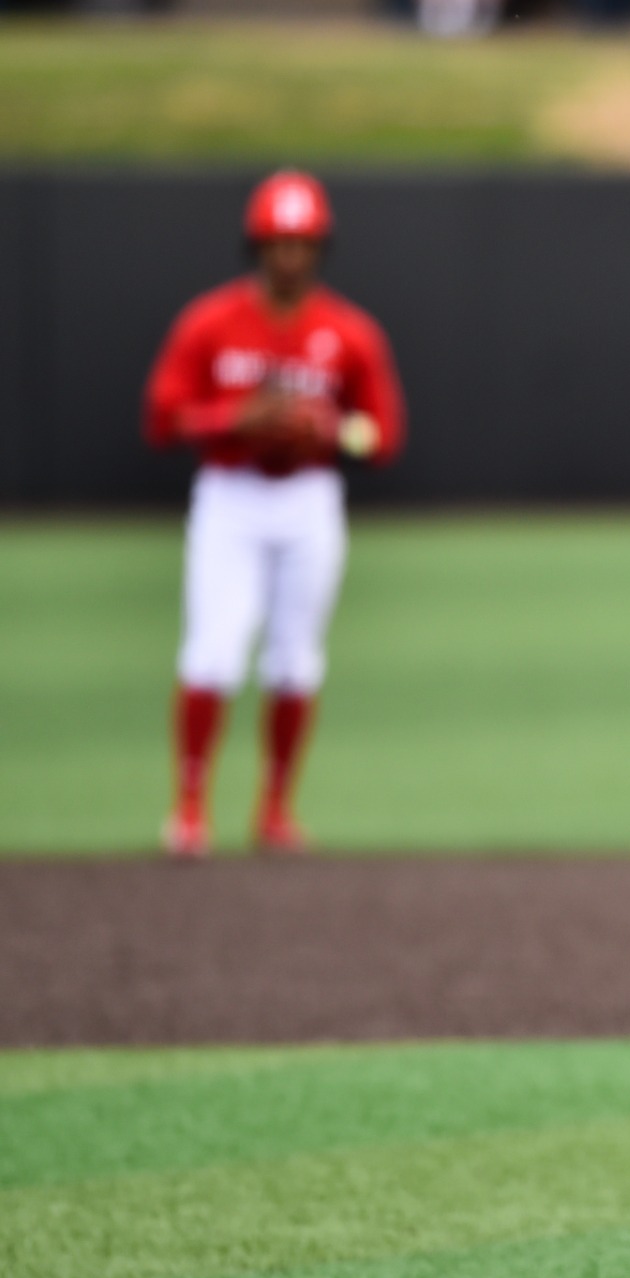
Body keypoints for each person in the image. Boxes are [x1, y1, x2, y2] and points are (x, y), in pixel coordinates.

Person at [145, 170, 406, 856]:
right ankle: (191, 807)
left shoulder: (348, 332)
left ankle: (274, 811)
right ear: (256, 246)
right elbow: (160, 417)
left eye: (302, 242)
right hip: (230, 496)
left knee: (295, 659)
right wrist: (235, 416)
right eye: (277, 242)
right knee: (214, 651)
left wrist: (331, 430)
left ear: (320, 248)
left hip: (307, 499)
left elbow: (381, 435)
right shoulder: (210, 323)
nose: (289, 256)